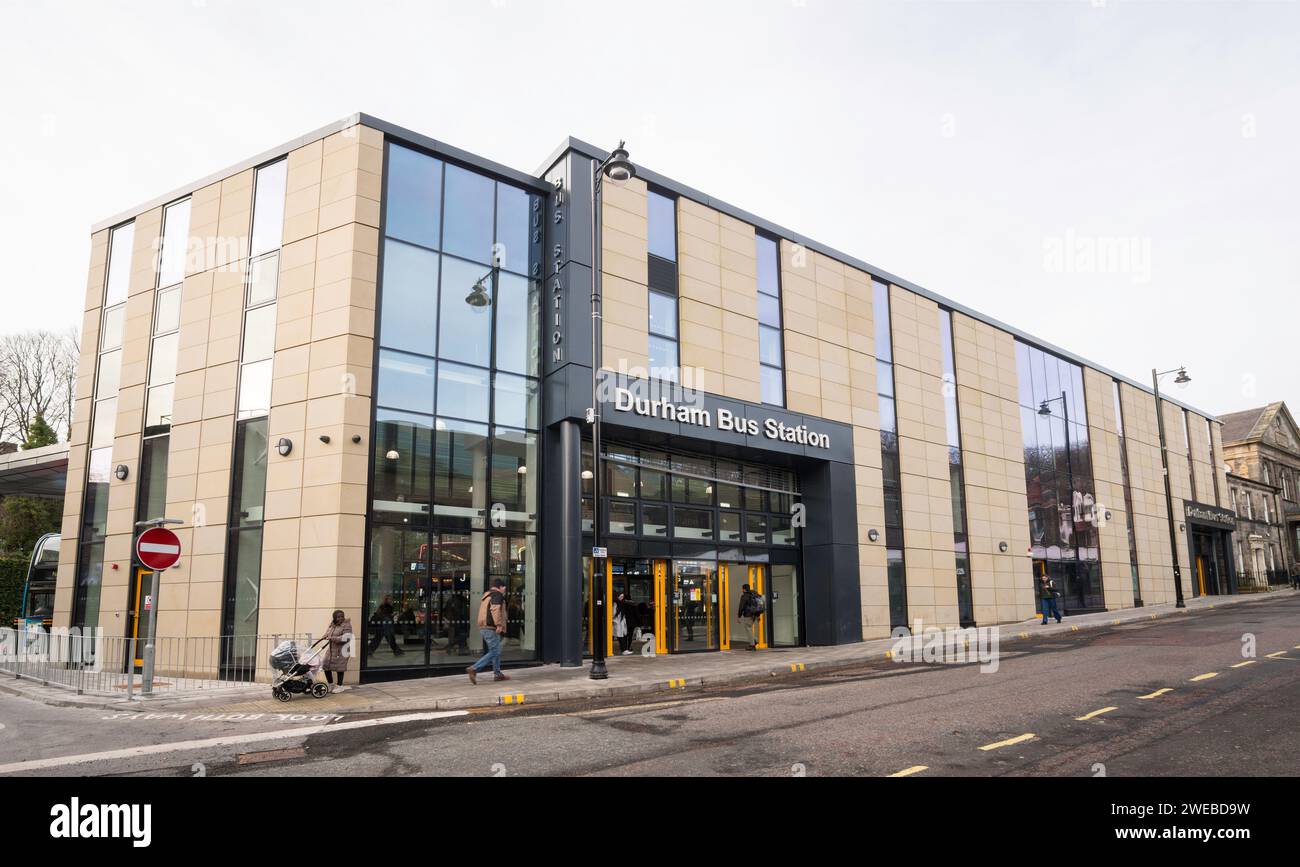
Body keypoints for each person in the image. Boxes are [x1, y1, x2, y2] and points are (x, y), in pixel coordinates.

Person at [466, 579, 510, 684]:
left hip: (485, 627)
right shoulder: (497, 595)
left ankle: (497, 674)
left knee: (496, 650)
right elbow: (495, 609)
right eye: (504, 588)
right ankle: (474, 668)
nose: (504, 590)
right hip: (490, 627)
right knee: (495, 651)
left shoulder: (487, 595)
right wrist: (499, 624)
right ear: (500, 587)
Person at [323, 610, 354, 692]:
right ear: (334, 618)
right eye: (338, 617)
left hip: (342, 650)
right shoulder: (332, 624)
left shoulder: (347, 625)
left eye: (342, 616)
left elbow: (346, 637)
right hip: (331, 649)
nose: (340, 618)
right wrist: (325, 635)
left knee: (340, 668)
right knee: (326, 666)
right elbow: (328, 632)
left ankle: (340, 686)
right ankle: (330, 684)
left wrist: (333, 638)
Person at [738, 584, 762, 651]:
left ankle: (752, 645)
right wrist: (758, 616)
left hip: (748, 615)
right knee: (750, 629)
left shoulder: (744, 596)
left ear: (744, 589)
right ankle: (754, 640)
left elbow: (741, 607)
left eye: (742, 589)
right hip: (754, 615)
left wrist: (739, 616)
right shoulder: (753, 595)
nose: (742, 590)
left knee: (748, 629)